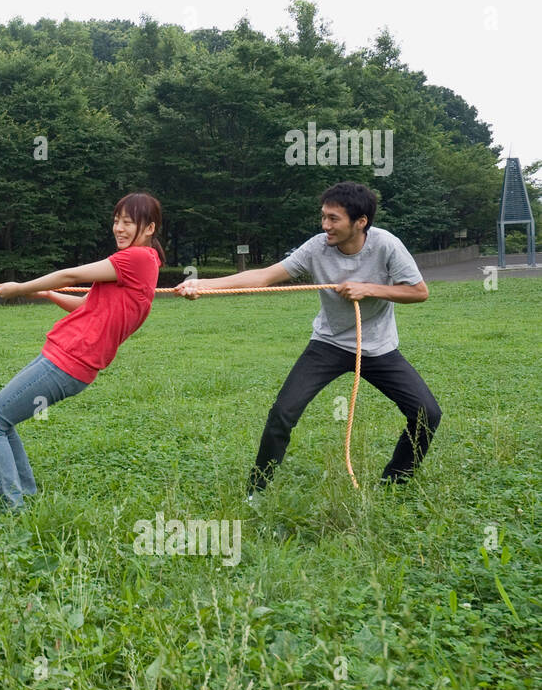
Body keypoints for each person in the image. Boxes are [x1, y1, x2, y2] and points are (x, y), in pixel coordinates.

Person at [177, 181, 440, 496]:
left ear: (361, 222)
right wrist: (203, 284)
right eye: (324, 217)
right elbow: (263, 276)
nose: (325, 225)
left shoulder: (387, 245)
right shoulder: (317, 247)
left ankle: (395, 485)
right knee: (282, 414)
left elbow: (418, 291)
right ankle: (255, 493)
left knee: (427, 413)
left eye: (334, 219)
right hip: (328, 345)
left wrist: (369, 288)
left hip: (378, 348)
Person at [0, 193, 165, 510]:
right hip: (62, 355)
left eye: (128, 222)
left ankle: (12, 509)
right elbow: (86, 304)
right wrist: (48, 293)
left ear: (149, 228)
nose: (119, 228)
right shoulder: (137, 265)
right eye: (116, 220)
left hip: (68, 362)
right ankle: (24, 498)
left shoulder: (138, 259)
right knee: (1, 422)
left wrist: (20, 288)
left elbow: (71, 275)